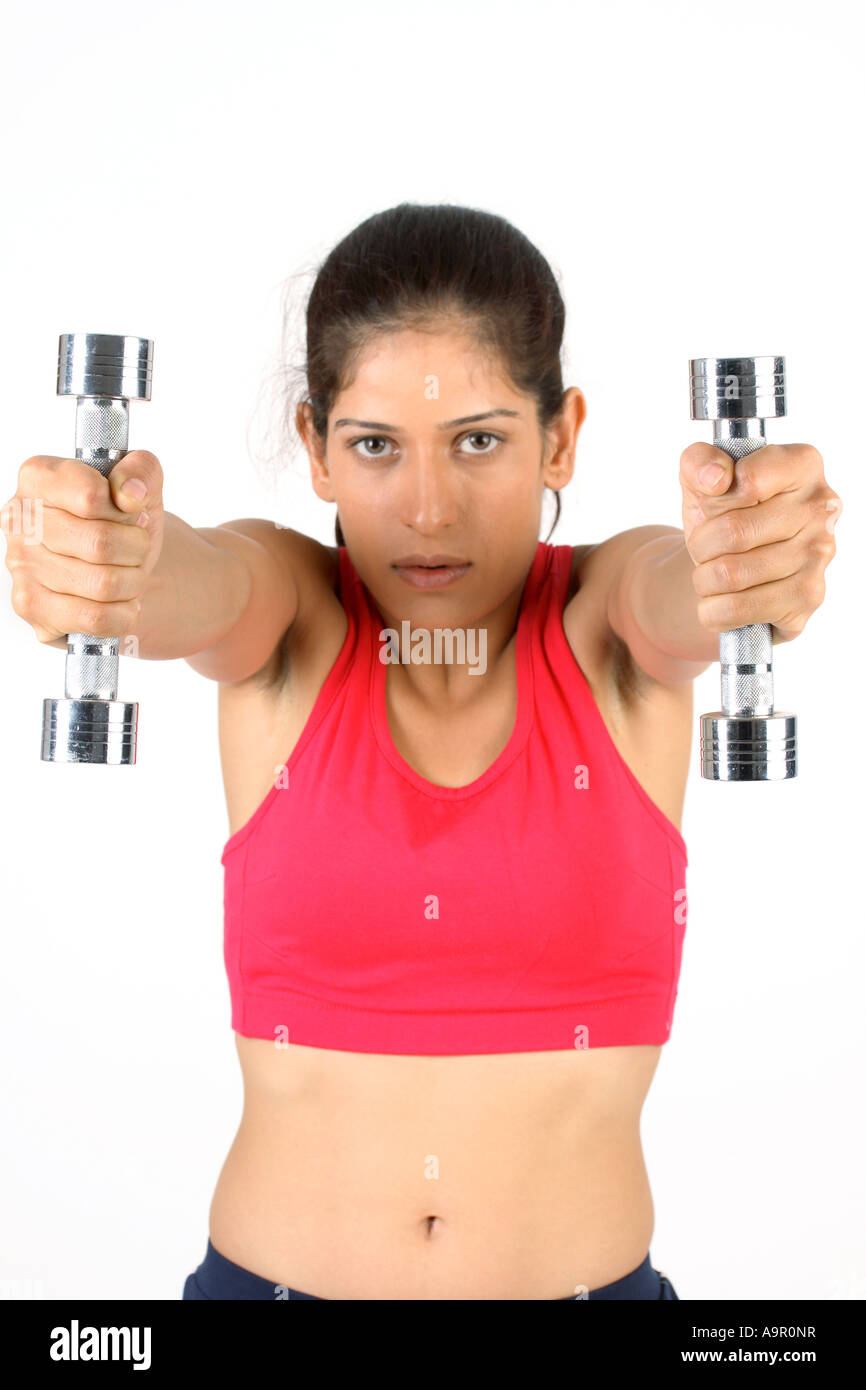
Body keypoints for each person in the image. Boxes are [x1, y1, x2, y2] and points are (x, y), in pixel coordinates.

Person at [3, 204, 838, 1299]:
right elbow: (190, 584)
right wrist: (110, 567)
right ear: (312, 446)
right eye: (374, 447)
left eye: (479, 440)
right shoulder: (293, 617)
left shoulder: (606, 623)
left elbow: (679, 592)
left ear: (563, 437)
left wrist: (741, 568)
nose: (428, 508)